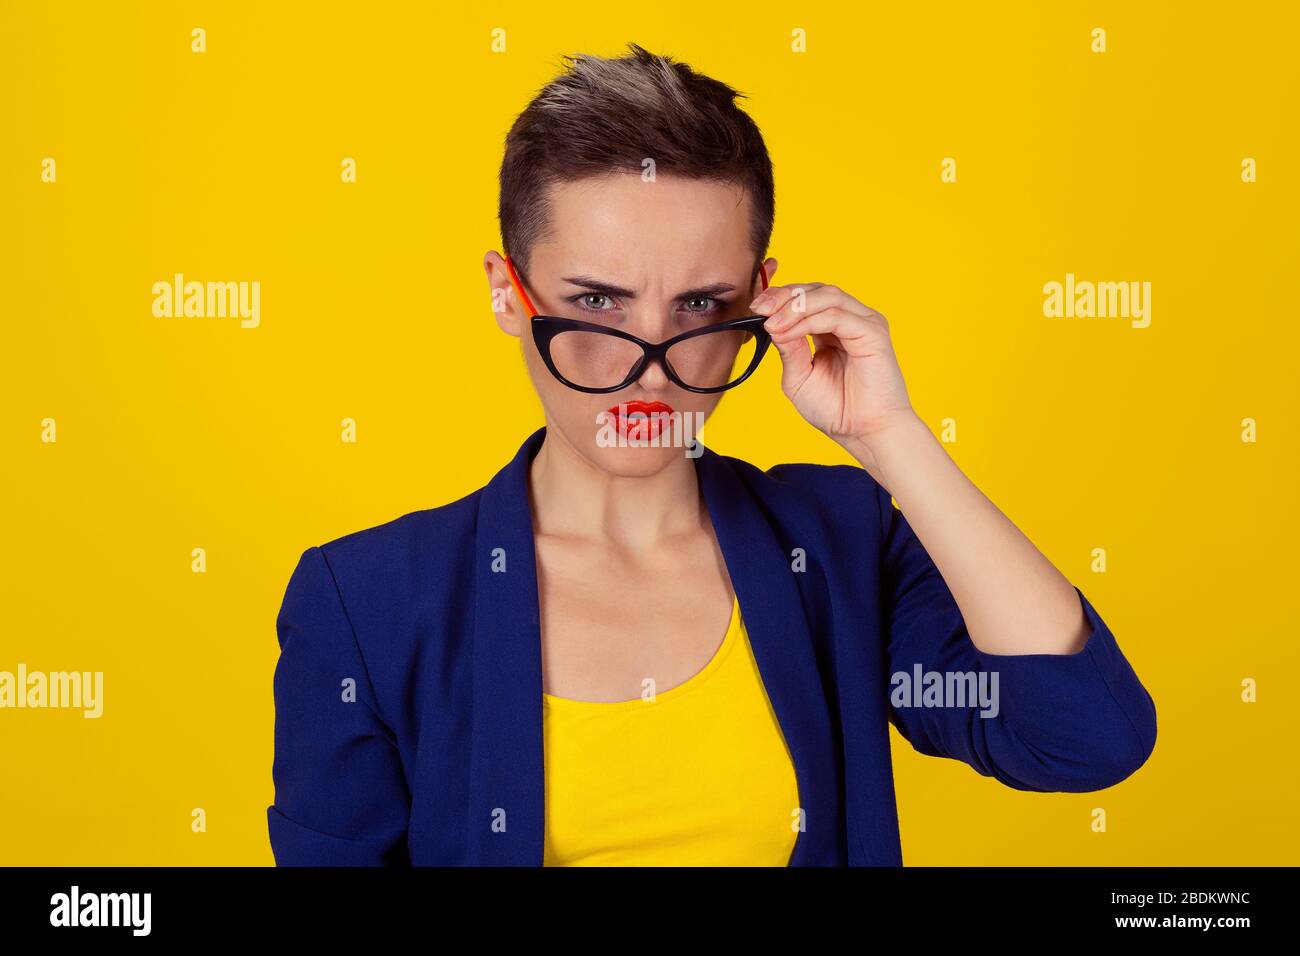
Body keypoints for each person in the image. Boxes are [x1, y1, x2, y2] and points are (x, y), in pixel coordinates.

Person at [267, 43, 1156, 866]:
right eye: (597, 303)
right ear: (510, 292)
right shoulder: (367, 603)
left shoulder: (841, 543)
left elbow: (1079, 738)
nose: (648, 368)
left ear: (764, 300)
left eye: (700, 306)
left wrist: (891, 440)